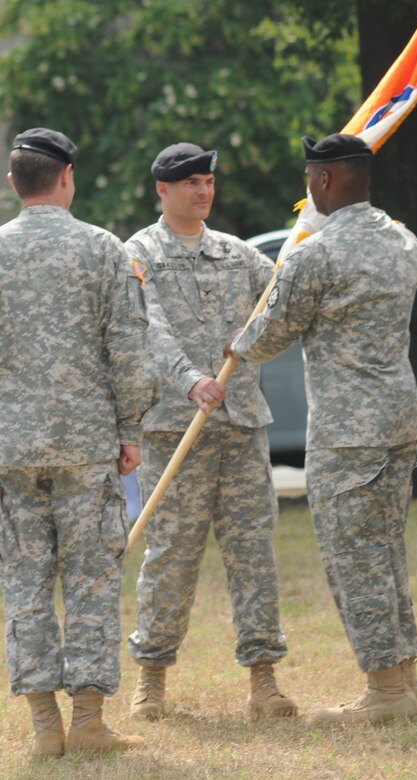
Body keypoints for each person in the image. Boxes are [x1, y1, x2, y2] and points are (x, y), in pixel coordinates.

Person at [225, 132, 417, 723]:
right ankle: (407, 685)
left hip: (348, 427)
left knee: (355, 556)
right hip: (398, 414)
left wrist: (237, 341)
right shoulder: (404, 239)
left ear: (321, 181)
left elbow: (268, 337)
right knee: (387, 551)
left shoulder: (316, 254)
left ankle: (386, 692)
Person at [0, 127, 166, 757]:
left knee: (24, 581)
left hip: (12, 448)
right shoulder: (103, 249)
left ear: (16, 182)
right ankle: (89, 722)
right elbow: (129, 348)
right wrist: (130, 432)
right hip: (88, 445)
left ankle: (45, 727)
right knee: (92, 580)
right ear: (66, 177)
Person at [126, 142, 297, 721]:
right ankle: (151, 678)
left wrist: (257, 340)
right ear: (163, 190)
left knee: (254, 552)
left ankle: (264, 680)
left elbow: (281, 302)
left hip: (241, 425)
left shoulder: (237, 254)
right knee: (171, 554)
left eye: (208, 182)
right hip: (175, 429)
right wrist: (189, 378)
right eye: (191, 183)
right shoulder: (139, 253)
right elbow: (145, 328)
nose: (203, 192)